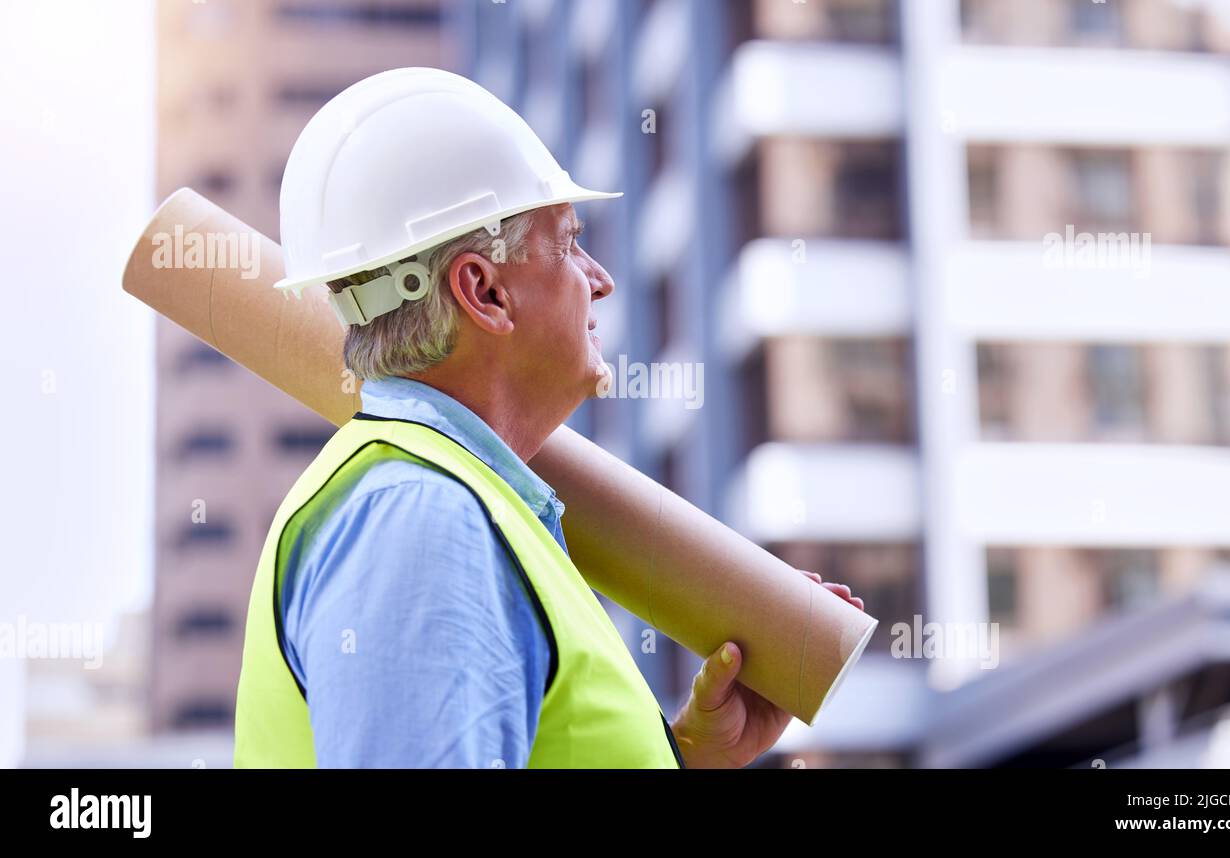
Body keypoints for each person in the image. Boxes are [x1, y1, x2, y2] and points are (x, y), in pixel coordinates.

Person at [234, 68, 863, 769]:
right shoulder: (421, 518)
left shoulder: (464, 506)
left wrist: (687, 758)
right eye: (567, 244)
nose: (600, 279)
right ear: (485, 291)